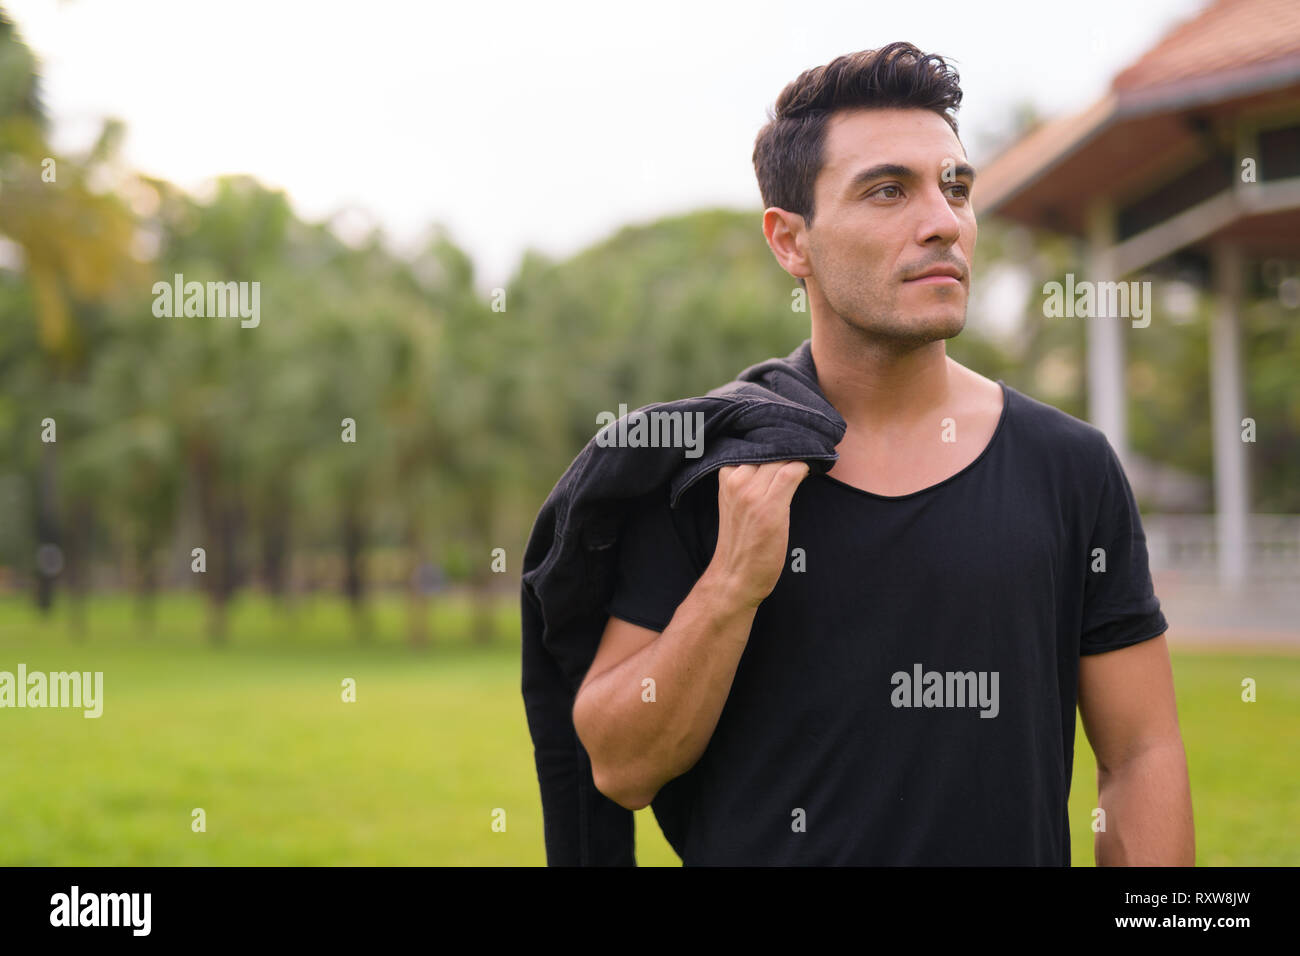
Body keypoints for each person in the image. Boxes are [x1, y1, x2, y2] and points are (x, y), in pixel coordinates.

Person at [570, 42, 1194, 865]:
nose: (943, 220)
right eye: (889, 190)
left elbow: (1141, 752)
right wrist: (729, 587)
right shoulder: (717, 468)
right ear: (791, 242)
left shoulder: (1069, 467)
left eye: (956, 187)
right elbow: (620, 766)